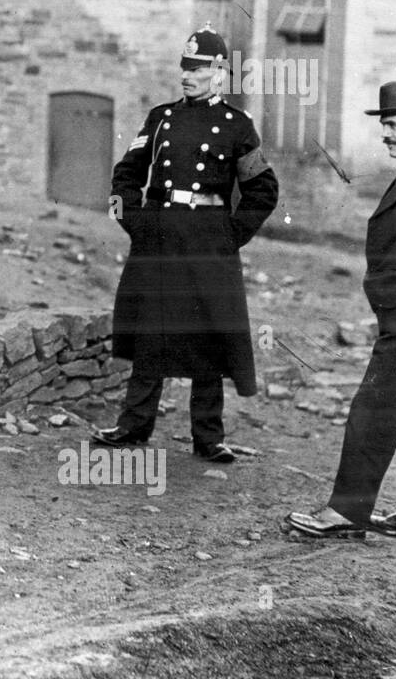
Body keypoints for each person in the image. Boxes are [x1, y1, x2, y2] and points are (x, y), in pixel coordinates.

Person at [285, 80, 396, 542]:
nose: (384, 132)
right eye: (384, 123)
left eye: (392, 124)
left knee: (373, 409)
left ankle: (346, 514)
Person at [91, 25, 279, 463]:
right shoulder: (160, 119)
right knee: (150, 333)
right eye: (184, 67)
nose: (187, 76)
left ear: (219, 73)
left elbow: (263, 191)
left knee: (208, 334)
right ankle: (133, 425)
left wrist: (229, 236)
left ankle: (208, 436)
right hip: (158, 235)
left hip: (208, 240)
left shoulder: (238, 125)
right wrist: (136, 222)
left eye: (197, 69)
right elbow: (125, 176)